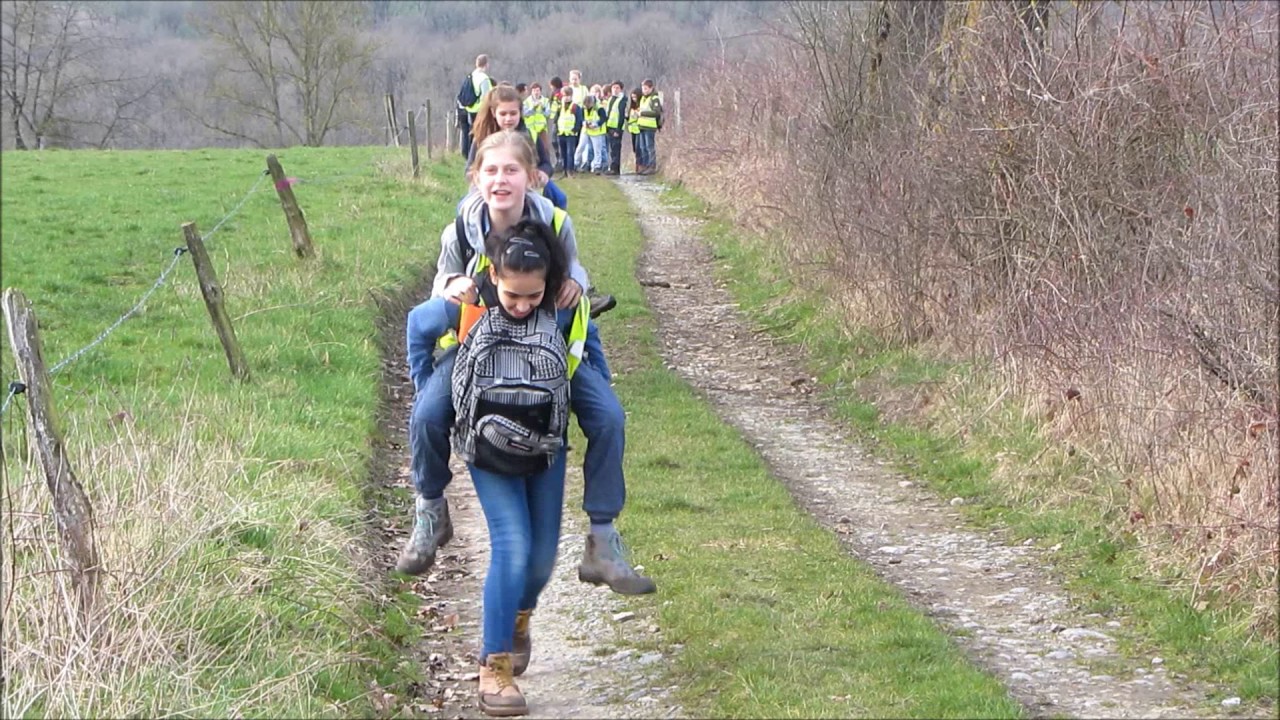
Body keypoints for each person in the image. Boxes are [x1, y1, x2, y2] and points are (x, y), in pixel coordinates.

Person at [398, 130, 654, 598]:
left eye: (511, 170)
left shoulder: (556, 222)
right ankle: (431, 509)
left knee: (610, 418)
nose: (501, 180)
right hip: (479, 346)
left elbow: (575, 268)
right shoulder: (460, 227)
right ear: (475, 178)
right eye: (491, 171)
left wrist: (575, 282)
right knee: (427, 415)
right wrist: (453, 284)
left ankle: (602, 538)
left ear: (532, 177)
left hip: (550, 348)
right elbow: (441, 281)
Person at [452, 217, 575, 716]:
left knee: (542, 558)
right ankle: (493, 666)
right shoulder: (471, 308)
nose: (523, 306)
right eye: (512, 296)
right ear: (494, 280)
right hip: (489, 452)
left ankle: (518, 617)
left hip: (546, 449)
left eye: (533, 296)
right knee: (514, 546)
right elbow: (424, 337)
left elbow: (591, 361)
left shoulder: (564, 312)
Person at [467, 85, 567, 211]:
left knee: (560, 199)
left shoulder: (530, 135)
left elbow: (546, 163)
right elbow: (469, 170)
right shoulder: (482, 137)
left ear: (520, 112)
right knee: (464, 207)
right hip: (490, 187)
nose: (508, 119)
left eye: (513, 113)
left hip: (526, 185)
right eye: (503, 114)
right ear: (493, 113)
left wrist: (543, 173)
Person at [459, 54, 493, 160]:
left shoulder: (471, 75)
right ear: (486, 65)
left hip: (470, 108)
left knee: (472, 132)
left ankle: (469, 155)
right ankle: (477, 157)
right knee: (480, 134)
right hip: (480, 110)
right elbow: (486, 97)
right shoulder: (484, 78)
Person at [635, 78, 662, 174]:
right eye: (643, 88)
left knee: (649, 147)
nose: (644, 91)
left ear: (651, 88)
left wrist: (642, 113)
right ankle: (645, 166)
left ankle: (652, 166)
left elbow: (656, 112)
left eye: (646, 89)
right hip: (642, 126)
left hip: (649, 126)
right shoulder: (643, 98)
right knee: (643, 147)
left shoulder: (654, 98)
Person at [554, 92, 581, 178]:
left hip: (570, 134)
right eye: (565, 96)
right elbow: (556, 119)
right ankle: (564, 170)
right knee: (563, 153)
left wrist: (575, 129)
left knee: (570, 152)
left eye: (568, 96)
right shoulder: (560, 107)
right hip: (561, 133)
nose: (566, 98)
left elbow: (579, 119)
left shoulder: (575, 107)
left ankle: (570, 170)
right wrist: (557, 129)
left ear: (571, 96)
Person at [578, 95, 607, 174]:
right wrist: (584, 123)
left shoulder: (599, 108)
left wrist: (596, 124)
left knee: (597, 149)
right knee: (581, 146)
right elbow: (581, 117)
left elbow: (603, 118)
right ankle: (577, 163)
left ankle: (597, 166)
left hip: (596, 131)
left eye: (589, 105)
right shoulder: (583, 108)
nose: (587, 107)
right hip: (586, 130)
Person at [604, 81, 628, 176]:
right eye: (613, 88)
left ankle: (615, 168)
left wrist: (618, 130)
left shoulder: (622, 100)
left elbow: (621, 115)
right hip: (610, 126)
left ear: (621, 89)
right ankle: (613, 167)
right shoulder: (611, 99)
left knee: (616, 148)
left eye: (617, 88)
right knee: (612, 148)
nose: (615, 89)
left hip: (617, 128)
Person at [626, 87, 643, 173]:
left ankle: (640, 165)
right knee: (635, 149)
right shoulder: (632, 107)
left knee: (639, 148)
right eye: (632, 98)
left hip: (639, 129)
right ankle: (637, 165)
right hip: (632, 129)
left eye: (635, 97)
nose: (634, 99)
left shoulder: (641, 106)